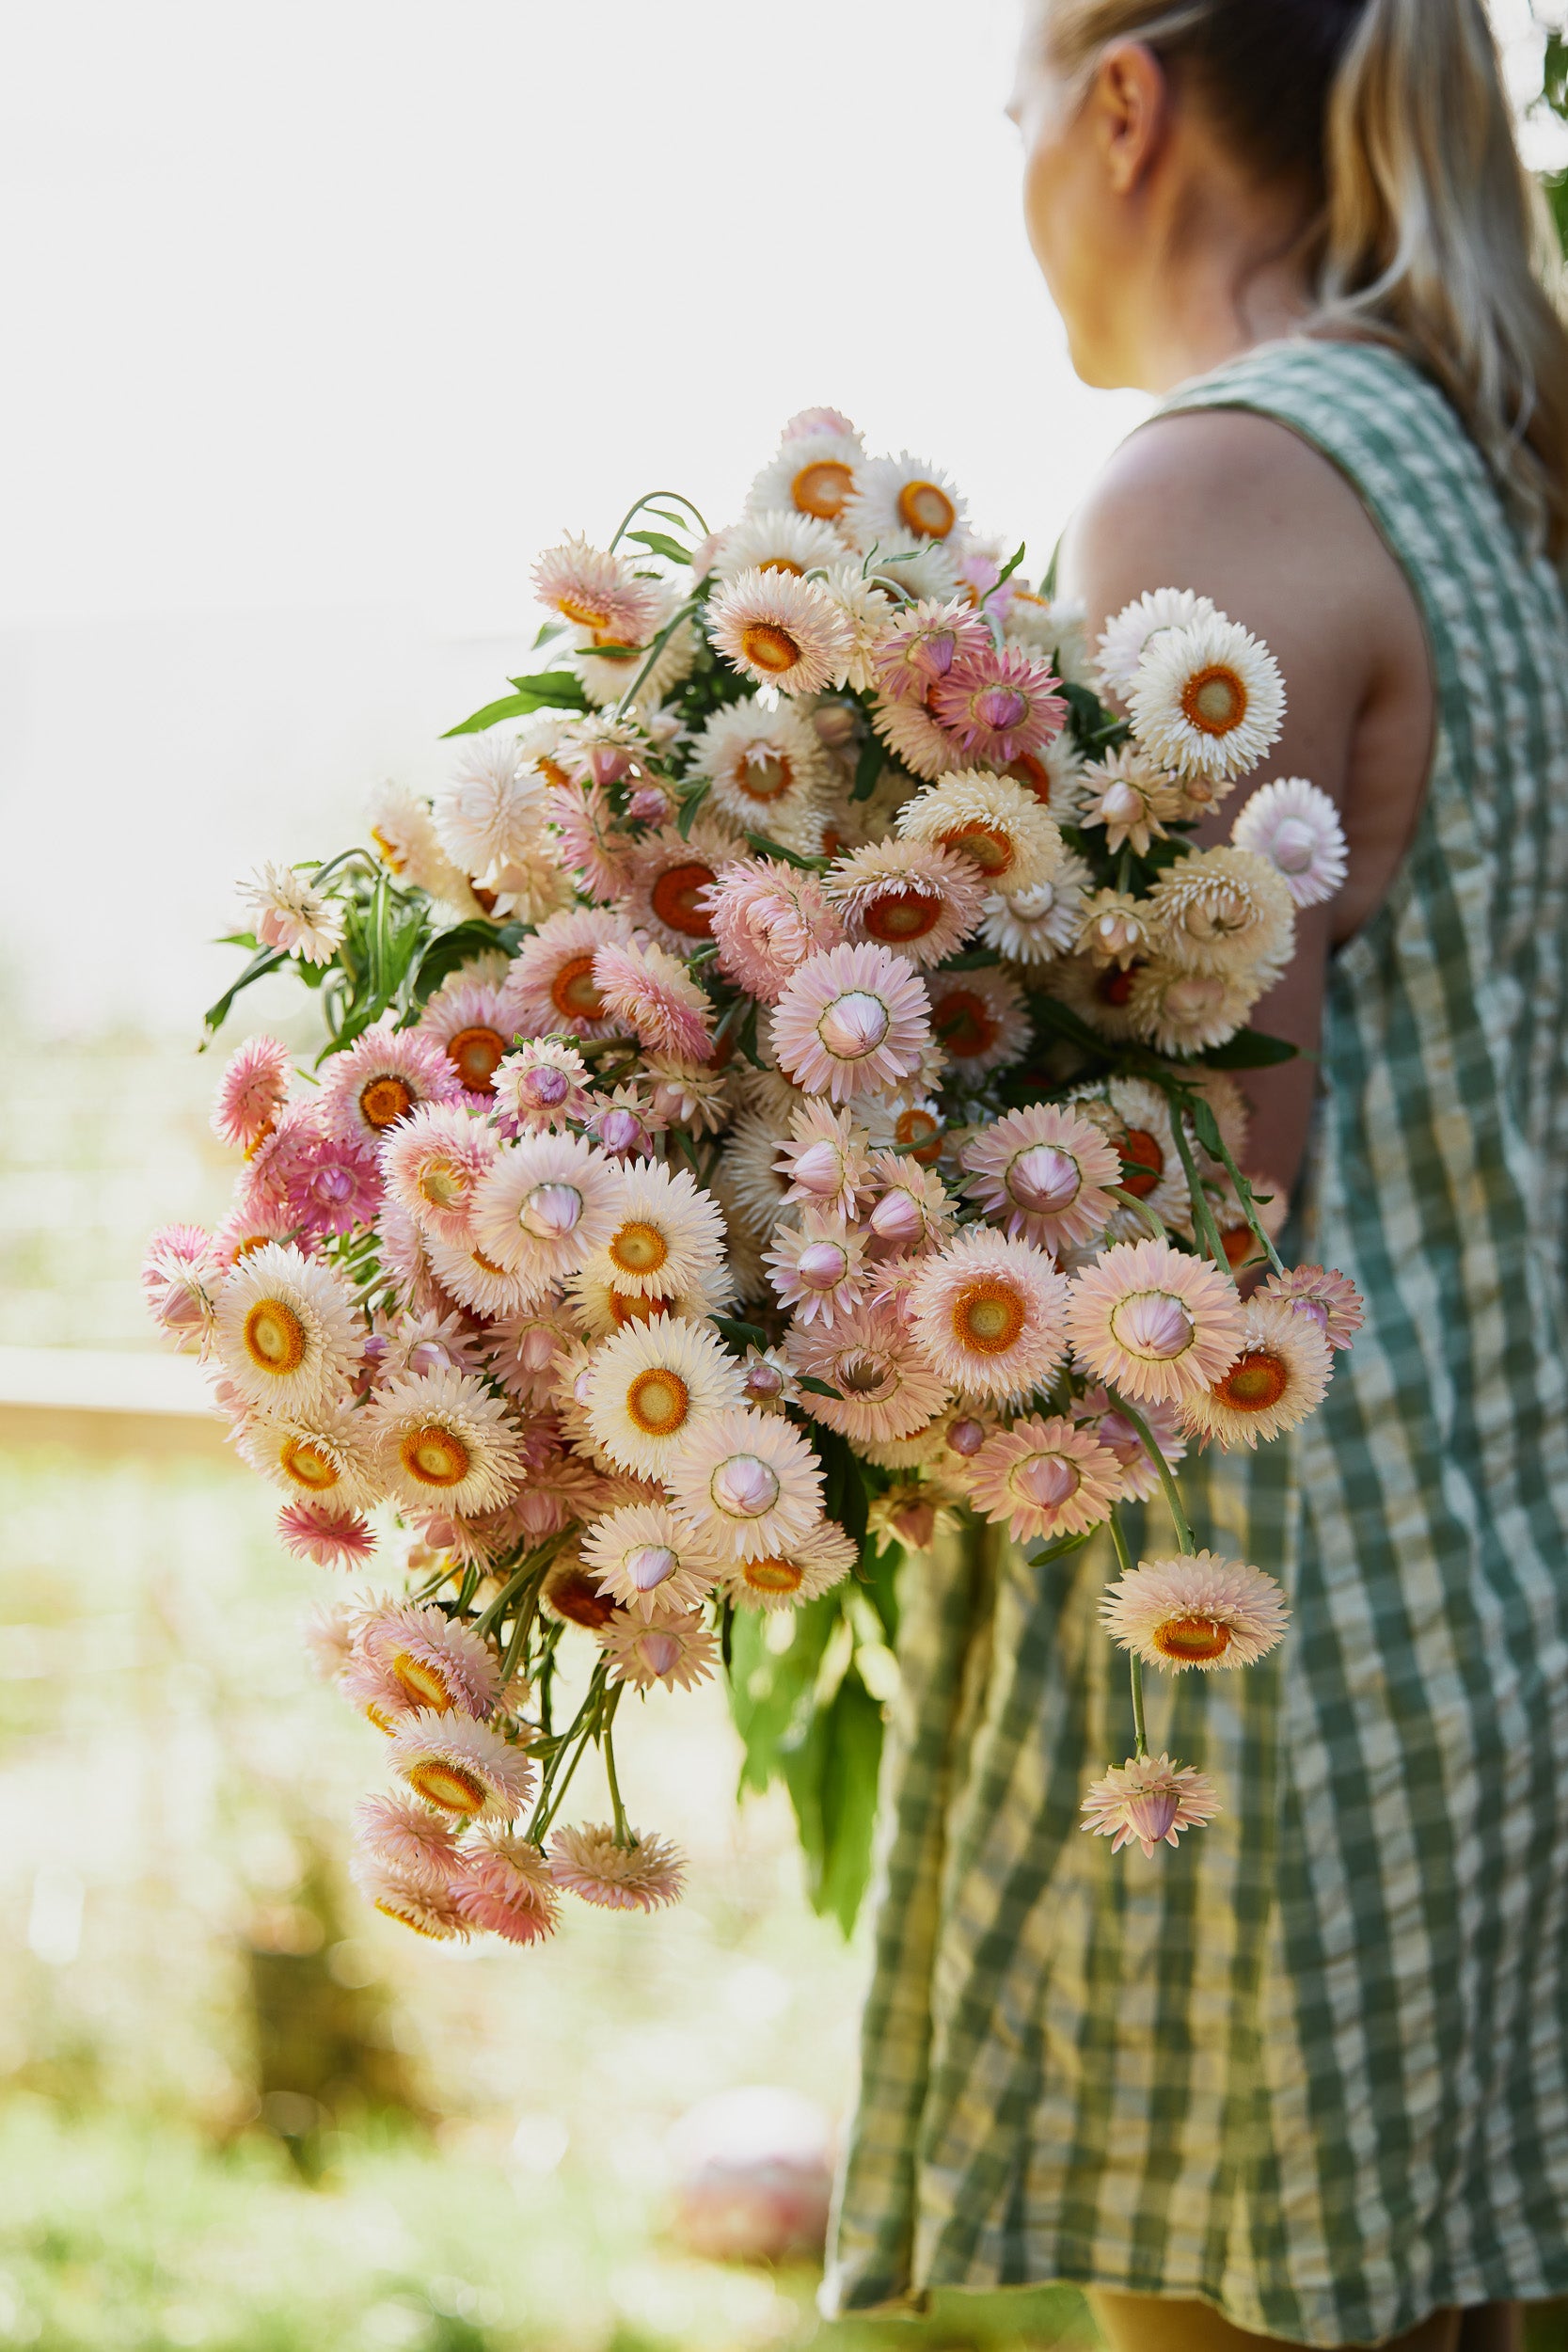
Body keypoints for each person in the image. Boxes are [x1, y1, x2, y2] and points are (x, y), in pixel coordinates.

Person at [822, 5, 1568, 2348]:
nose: (1022, 169)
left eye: (1022, 111)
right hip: (1481, 1587)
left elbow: (1189, 1205)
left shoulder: (1218, 487)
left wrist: (805, 1232)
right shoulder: (1477, 455)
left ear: (1125, 107)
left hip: (1258, 1655)